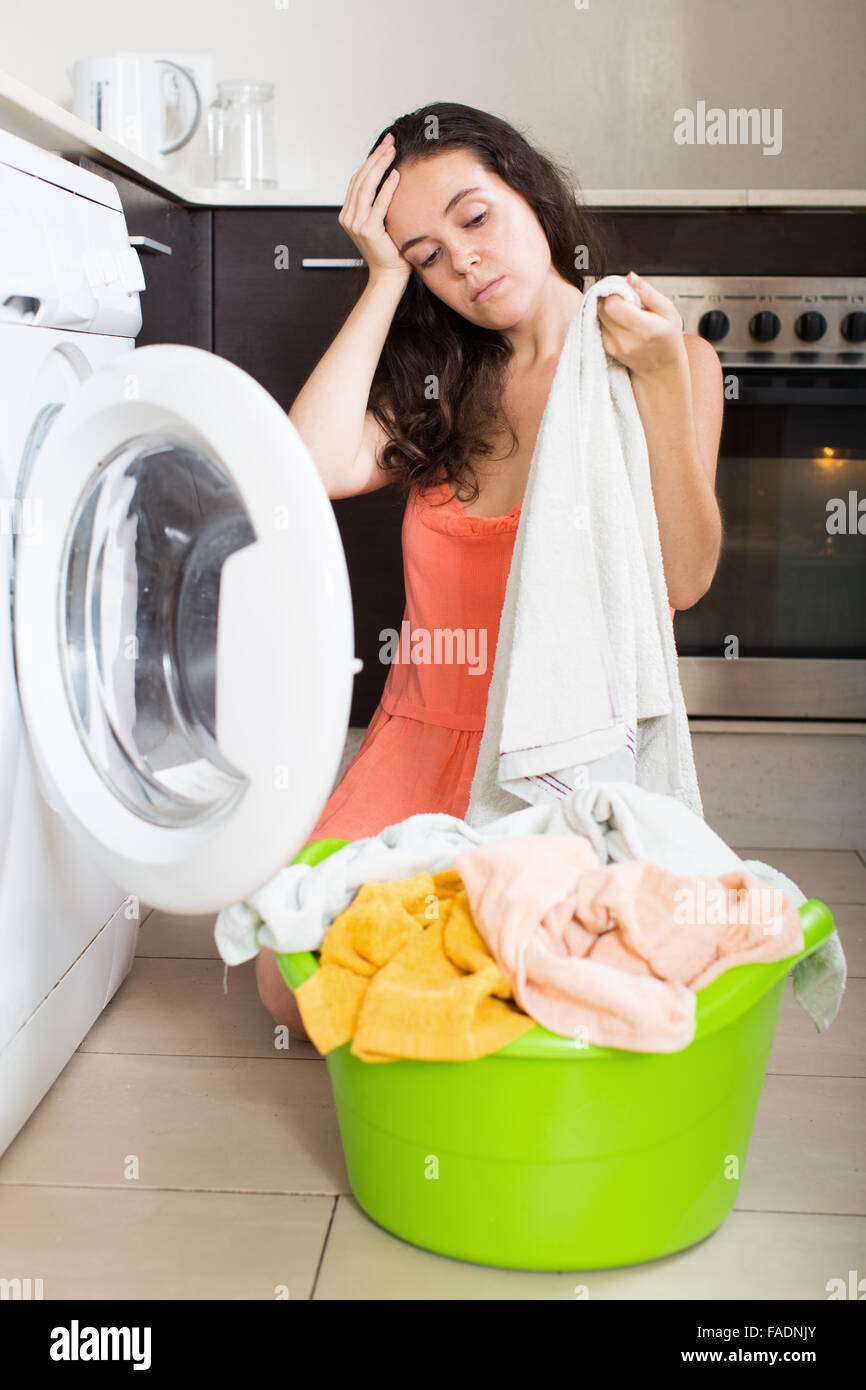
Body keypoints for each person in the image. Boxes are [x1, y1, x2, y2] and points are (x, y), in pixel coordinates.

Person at [255, 101, 724, 1043]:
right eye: (427, 253)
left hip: (559, 746)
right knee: (288, 990)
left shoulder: (656, 358)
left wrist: (666, 378)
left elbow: (682, 579)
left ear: (532, 196)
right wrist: (383, 278)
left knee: (529, 967)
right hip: (422, 739)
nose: (461, 261)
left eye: (474, 218)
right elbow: (302, 471)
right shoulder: (443, 381)